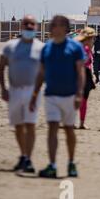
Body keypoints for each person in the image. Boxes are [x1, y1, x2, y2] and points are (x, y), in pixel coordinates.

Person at [30, 15, 86, 178]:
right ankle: (52, 165)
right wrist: (34, 94)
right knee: (52, 129)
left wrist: (79, 93)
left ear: (65, 28)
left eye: (56, 25)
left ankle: (71, 163)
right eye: (52, 25)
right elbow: (41, 73)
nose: (53, 27)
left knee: (69, 129)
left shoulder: (75, 47)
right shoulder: (46, 48)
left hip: (70, 95)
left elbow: (80, 72)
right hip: (51, 96)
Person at [0, 16, 44, 173]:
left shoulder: (41, 48)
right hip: (14, 90)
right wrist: (3, 89)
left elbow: (43, 72)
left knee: (30, 124)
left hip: (33, 90)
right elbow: (1, 68)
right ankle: (23, 155)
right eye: (26, 24)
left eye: (32, 24)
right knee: (17, 125)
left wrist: (37, 92)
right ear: (21, 26)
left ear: (36, 27)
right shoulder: (10, 46)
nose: (29, 26)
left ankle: (28, 159)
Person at [75, 28, 96, 130]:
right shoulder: (77, 48)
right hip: (77, 73)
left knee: (84, 100)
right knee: (75, 99)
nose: (93, 41)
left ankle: (81, 123)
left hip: (86, 74)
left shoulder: (87, 49)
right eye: (92, 39)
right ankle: (73, 121)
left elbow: (89, 64)